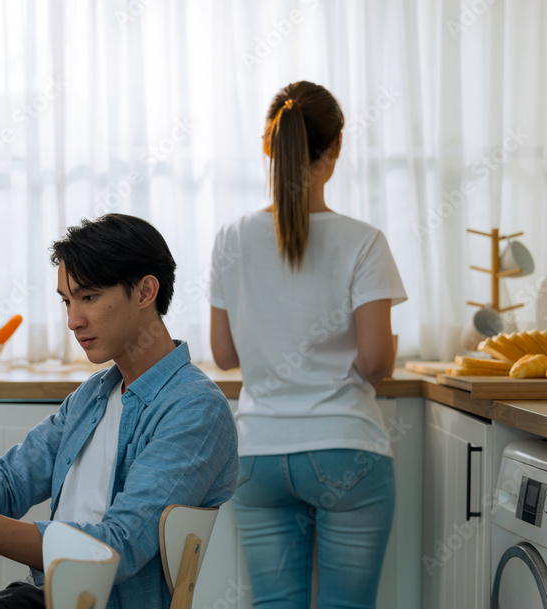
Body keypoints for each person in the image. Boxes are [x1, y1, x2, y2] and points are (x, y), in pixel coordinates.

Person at [0, 213, 239, 609]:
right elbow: (11, 481)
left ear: (145, 292)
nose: (73, 321)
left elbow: (117, 549)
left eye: (89, 297)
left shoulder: (195, 409)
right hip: (45, 596)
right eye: (67, 301)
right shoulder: (94, 395)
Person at [208, 81, 407, 608]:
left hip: (257, 455)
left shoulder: (231, 237)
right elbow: (375, 363)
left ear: (268, 145)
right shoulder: (363, 241)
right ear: (336, 146)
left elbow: (224, 356)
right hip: (346, 448)